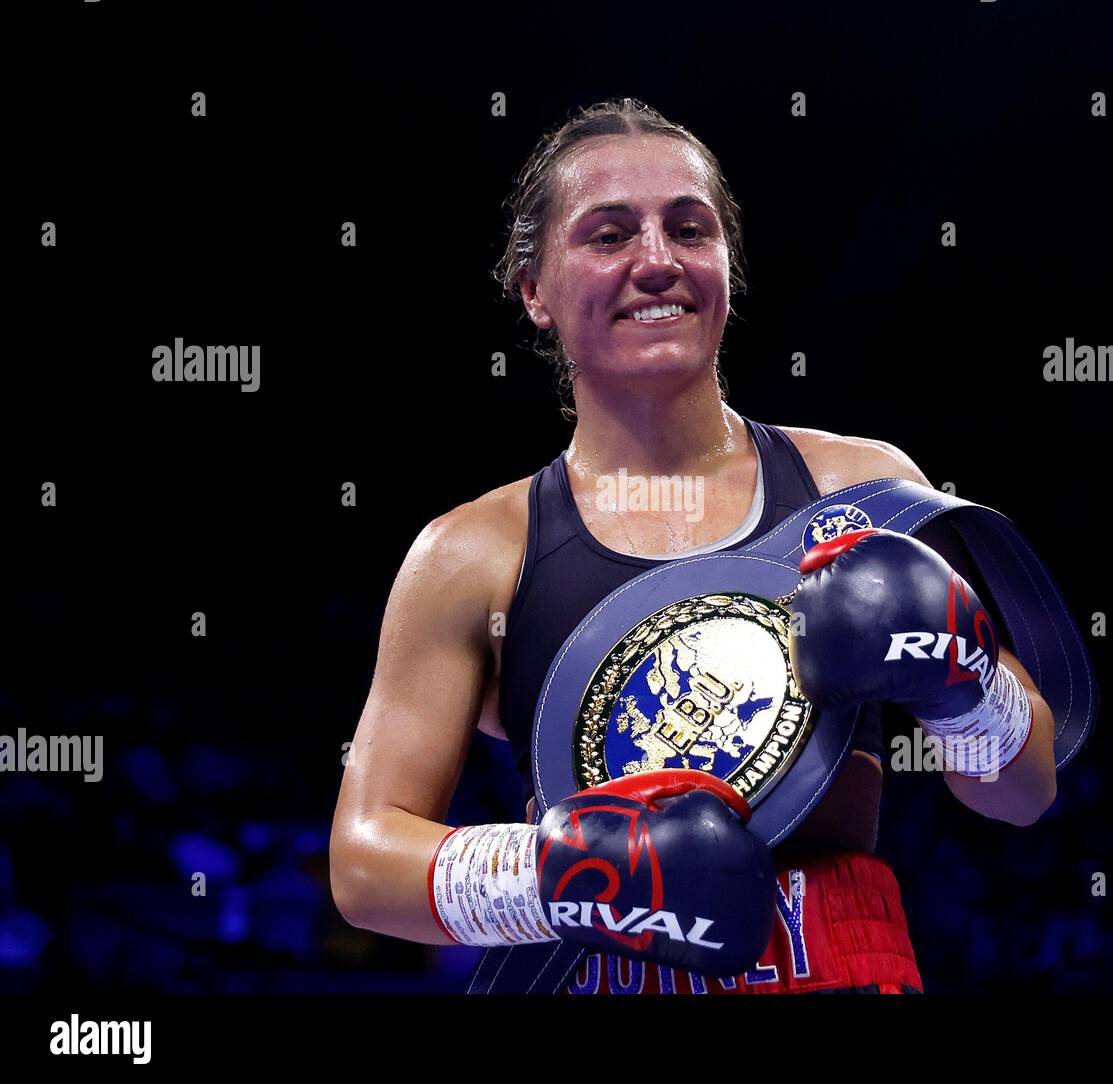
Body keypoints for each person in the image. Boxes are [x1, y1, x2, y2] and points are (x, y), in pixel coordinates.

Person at [329, 98, 1058, 994]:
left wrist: (965, 680)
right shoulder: (473, 552)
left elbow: (1022, 793)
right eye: (607, 235)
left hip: (846, 968)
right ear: (534, 291)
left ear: (725, 266)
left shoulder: (859, 485)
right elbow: (365, 864)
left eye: (689, 227)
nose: (657, 261)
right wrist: (576, 878)